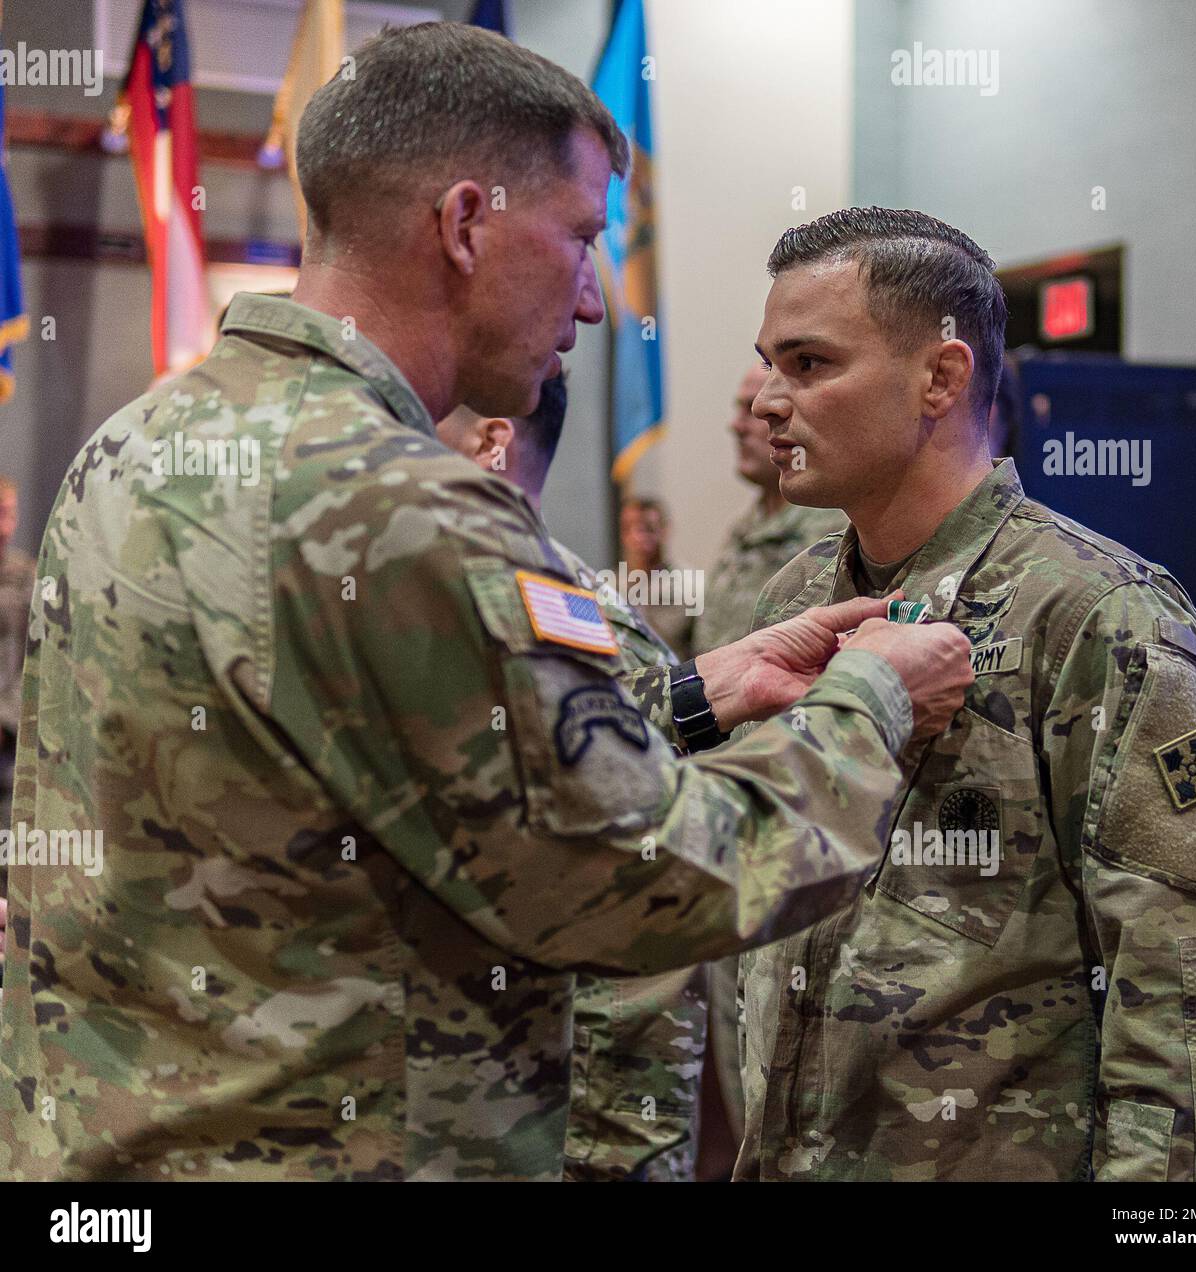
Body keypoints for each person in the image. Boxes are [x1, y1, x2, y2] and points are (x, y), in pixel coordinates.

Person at [0, 26, 973, 1182]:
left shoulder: (144, 440)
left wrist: (690, 698)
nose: (598, 298)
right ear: (465, 224)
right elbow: (639, 886)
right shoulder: (405, 508)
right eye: (581, 236)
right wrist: (867, 707)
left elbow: (368, 752)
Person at [735, 206, 1196, 1182]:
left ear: (940, 377)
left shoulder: (1096, 616)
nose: (767, 403)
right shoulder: (790, 603)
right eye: (768, 364)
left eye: (808, 365)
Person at [438, 375, 708, 1181]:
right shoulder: (459, 598)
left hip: (578, 1110)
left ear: (491, 445)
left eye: (405, 433)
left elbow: (646, 905)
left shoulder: (566, 619)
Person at [685, 363, 846, 1168]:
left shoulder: (823, 545)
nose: (750, 419)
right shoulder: (753, 534)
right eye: (744, 404)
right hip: (727, 829)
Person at [0, 474, 34, 834]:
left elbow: (38, 663)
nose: (4, 525)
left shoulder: (28, 580)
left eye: (10, 513)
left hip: (11, 749)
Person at [618, 496, 693, 655]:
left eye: (648, 529)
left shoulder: (690, 585)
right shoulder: (609, 586)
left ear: (665, 530)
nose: (638, 537)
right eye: (630, 528)